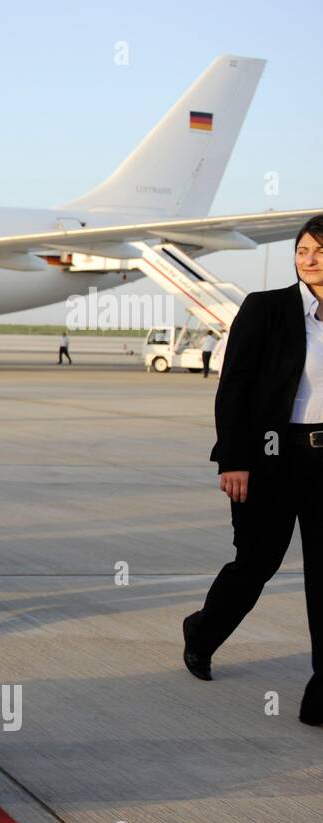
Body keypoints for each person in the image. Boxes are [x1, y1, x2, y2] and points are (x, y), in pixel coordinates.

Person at [183, 214, 323, 727]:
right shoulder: (266, 309)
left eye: (319, 251)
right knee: (257, 563)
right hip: (273, 457)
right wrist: (235, 459)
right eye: (303, 249)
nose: (308, 259)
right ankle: (202, 633)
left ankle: (319, 695)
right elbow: (234, 387)